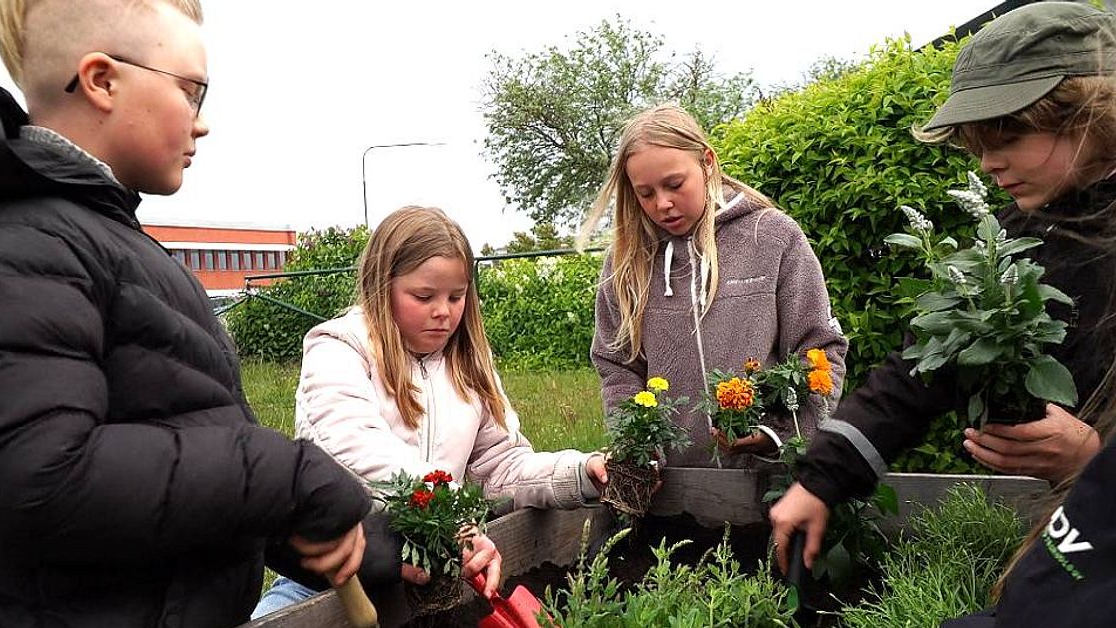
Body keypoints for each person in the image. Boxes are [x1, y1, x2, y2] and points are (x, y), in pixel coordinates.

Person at [0, 1, 373, 626]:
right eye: (191, 90)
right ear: (102, 81)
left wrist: (350, 539)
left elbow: (164, 480)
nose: (202, 122)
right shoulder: (11, 250)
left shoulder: (100, 242)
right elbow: (39, 476)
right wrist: (285, 479)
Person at [772, 2, 1116, 580]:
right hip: (1080, 530)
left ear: (1087, 111)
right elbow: (918, 369)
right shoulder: (1017, 236)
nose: (988, 162)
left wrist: (1094, 459)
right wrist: (821, 479)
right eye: (976, 141)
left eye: (1007, 133)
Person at [252, 206, 608, 618]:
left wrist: (580, 472)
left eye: (457, 297)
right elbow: (354, 449)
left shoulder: (468, 361)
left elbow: (500, 465)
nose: (444, 311)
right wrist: (451, 519)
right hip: (340, 568)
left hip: (435, 572)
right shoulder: (339, 348)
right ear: (381, 286)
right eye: (424, 297)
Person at [579, 103, 848, 469]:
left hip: (769, 485)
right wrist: (638, 448)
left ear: (706, 162)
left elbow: (821, 350)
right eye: (645, 193)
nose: (663, 204)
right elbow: (616, 367)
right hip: (670, 494)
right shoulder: (626, 263)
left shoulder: (771, 236)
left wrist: (776, 434)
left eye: (675, 184)